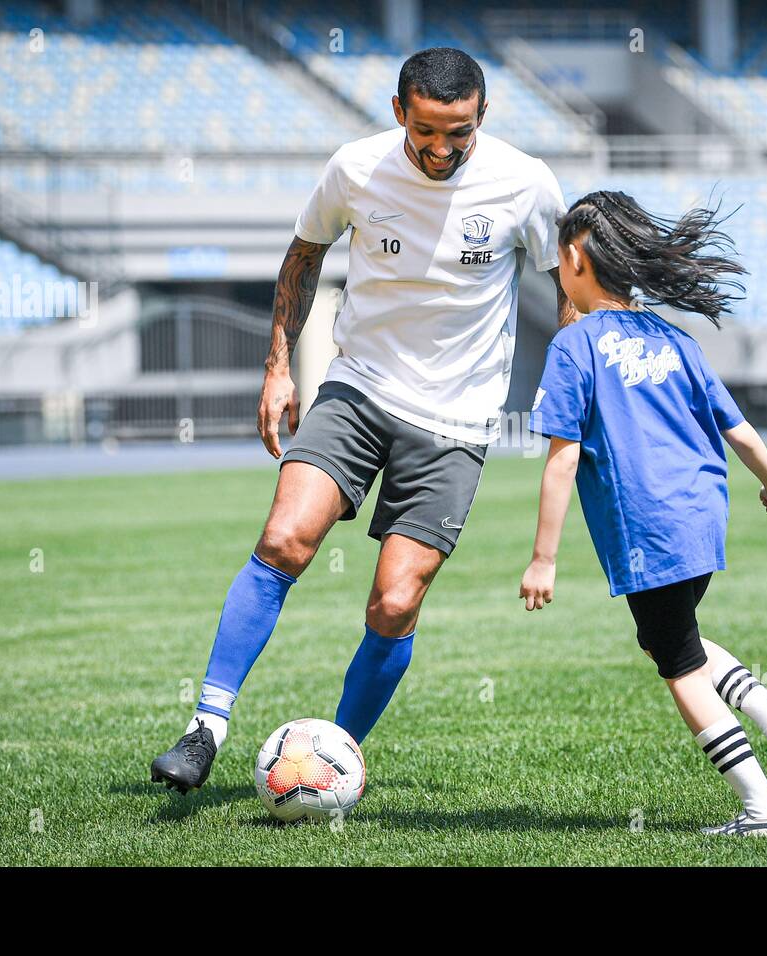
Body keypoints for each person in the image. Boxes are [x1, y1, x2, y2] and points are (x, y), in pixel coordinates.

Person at [150, 47, 573, 793]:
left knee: (395, 599)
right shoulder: (356, 168)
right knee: (284, 540)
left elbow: (568, 284)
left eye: (459, 134)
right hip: (358, 389)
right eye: (426, 132)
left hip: (456, 423)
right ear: (397, 113)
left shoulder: (526, 183)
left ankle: (334, 757)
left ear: (482, 117)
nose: (441, 149)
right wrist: (280, 367)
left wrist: (573, 385)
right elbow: (304, 253)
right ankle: (205, 728)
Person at [519, 190, 767, 836]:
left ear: (575, 256)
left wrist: (544, 558)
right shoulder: (674, 338)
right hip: (703, 517)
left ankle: (761, 807)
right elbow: (740, 432)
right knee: (674, 636)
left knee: (677, 665)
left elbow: (562, 461)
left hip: (647, 529)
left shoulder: (575, 347)